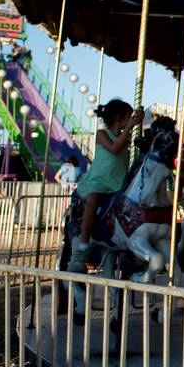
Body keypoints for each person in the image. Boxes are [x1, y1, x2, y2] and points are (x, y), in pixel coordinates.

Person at [72, 99, 143, 256]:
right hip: (99, 181)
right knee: (93, 199)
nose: (130, 121)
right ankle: (83, 244)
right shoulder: (101, 133)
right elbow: (114, 149)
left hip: (118, 182)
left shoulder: (126, 135)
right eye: (128, 117)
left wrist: (137, 123)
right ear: (119, 117)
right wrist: (131, 126)